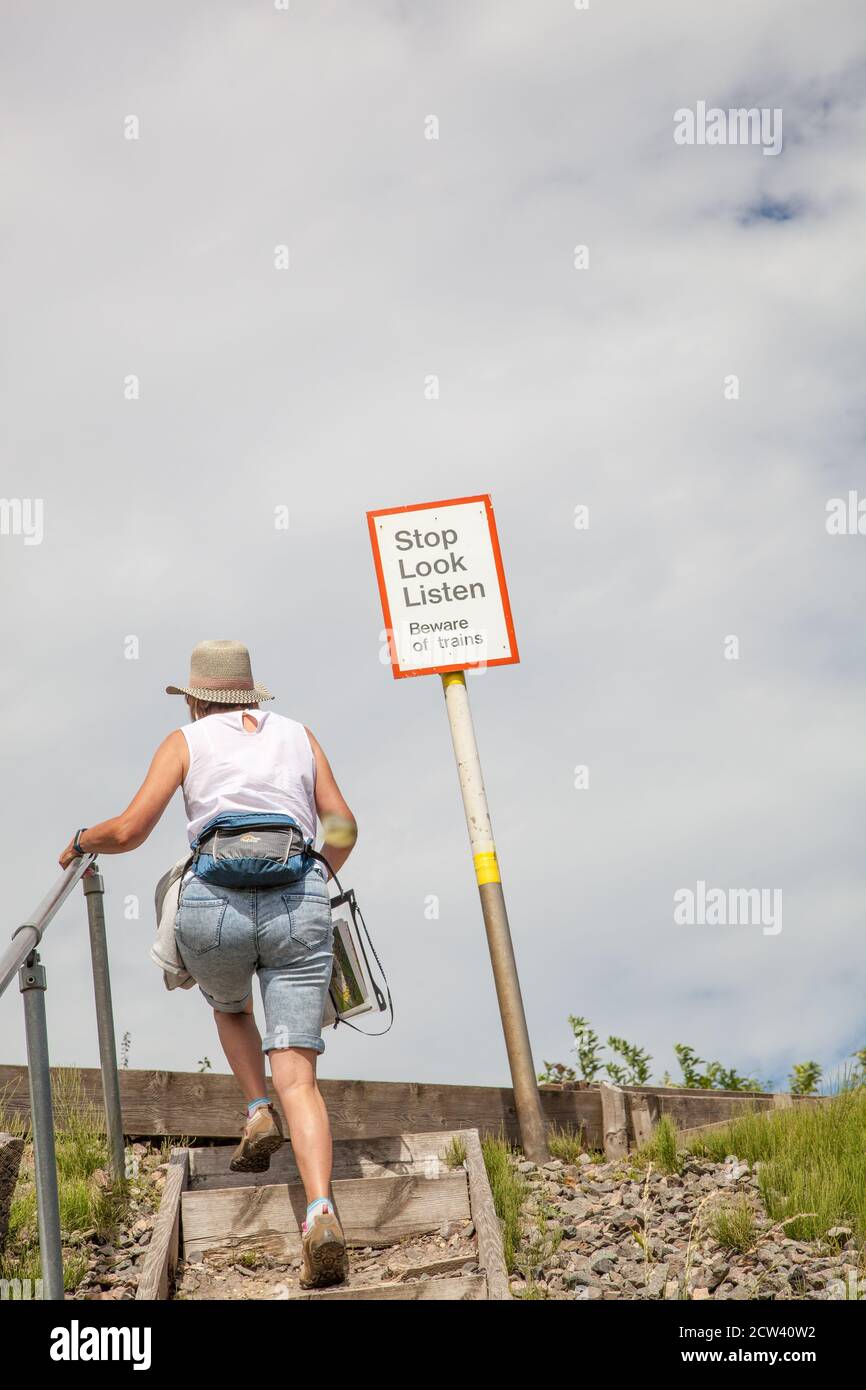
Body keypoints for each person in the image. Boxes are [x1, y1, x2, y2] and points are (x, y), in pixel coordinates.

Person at [58, 639, 357, 1289]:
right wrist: (311, 877)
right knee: (300, 1080)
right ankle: (322, 1212)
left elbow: (133, 829)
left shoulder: (185, 741)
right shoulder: (300, 736)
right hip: (299, 901)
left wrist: (82, 839)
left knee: (229, 1005)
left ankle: (254, 1108)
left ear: (196, 698)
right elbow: (344, 826)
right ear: (251, 693)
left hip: (214, 905)